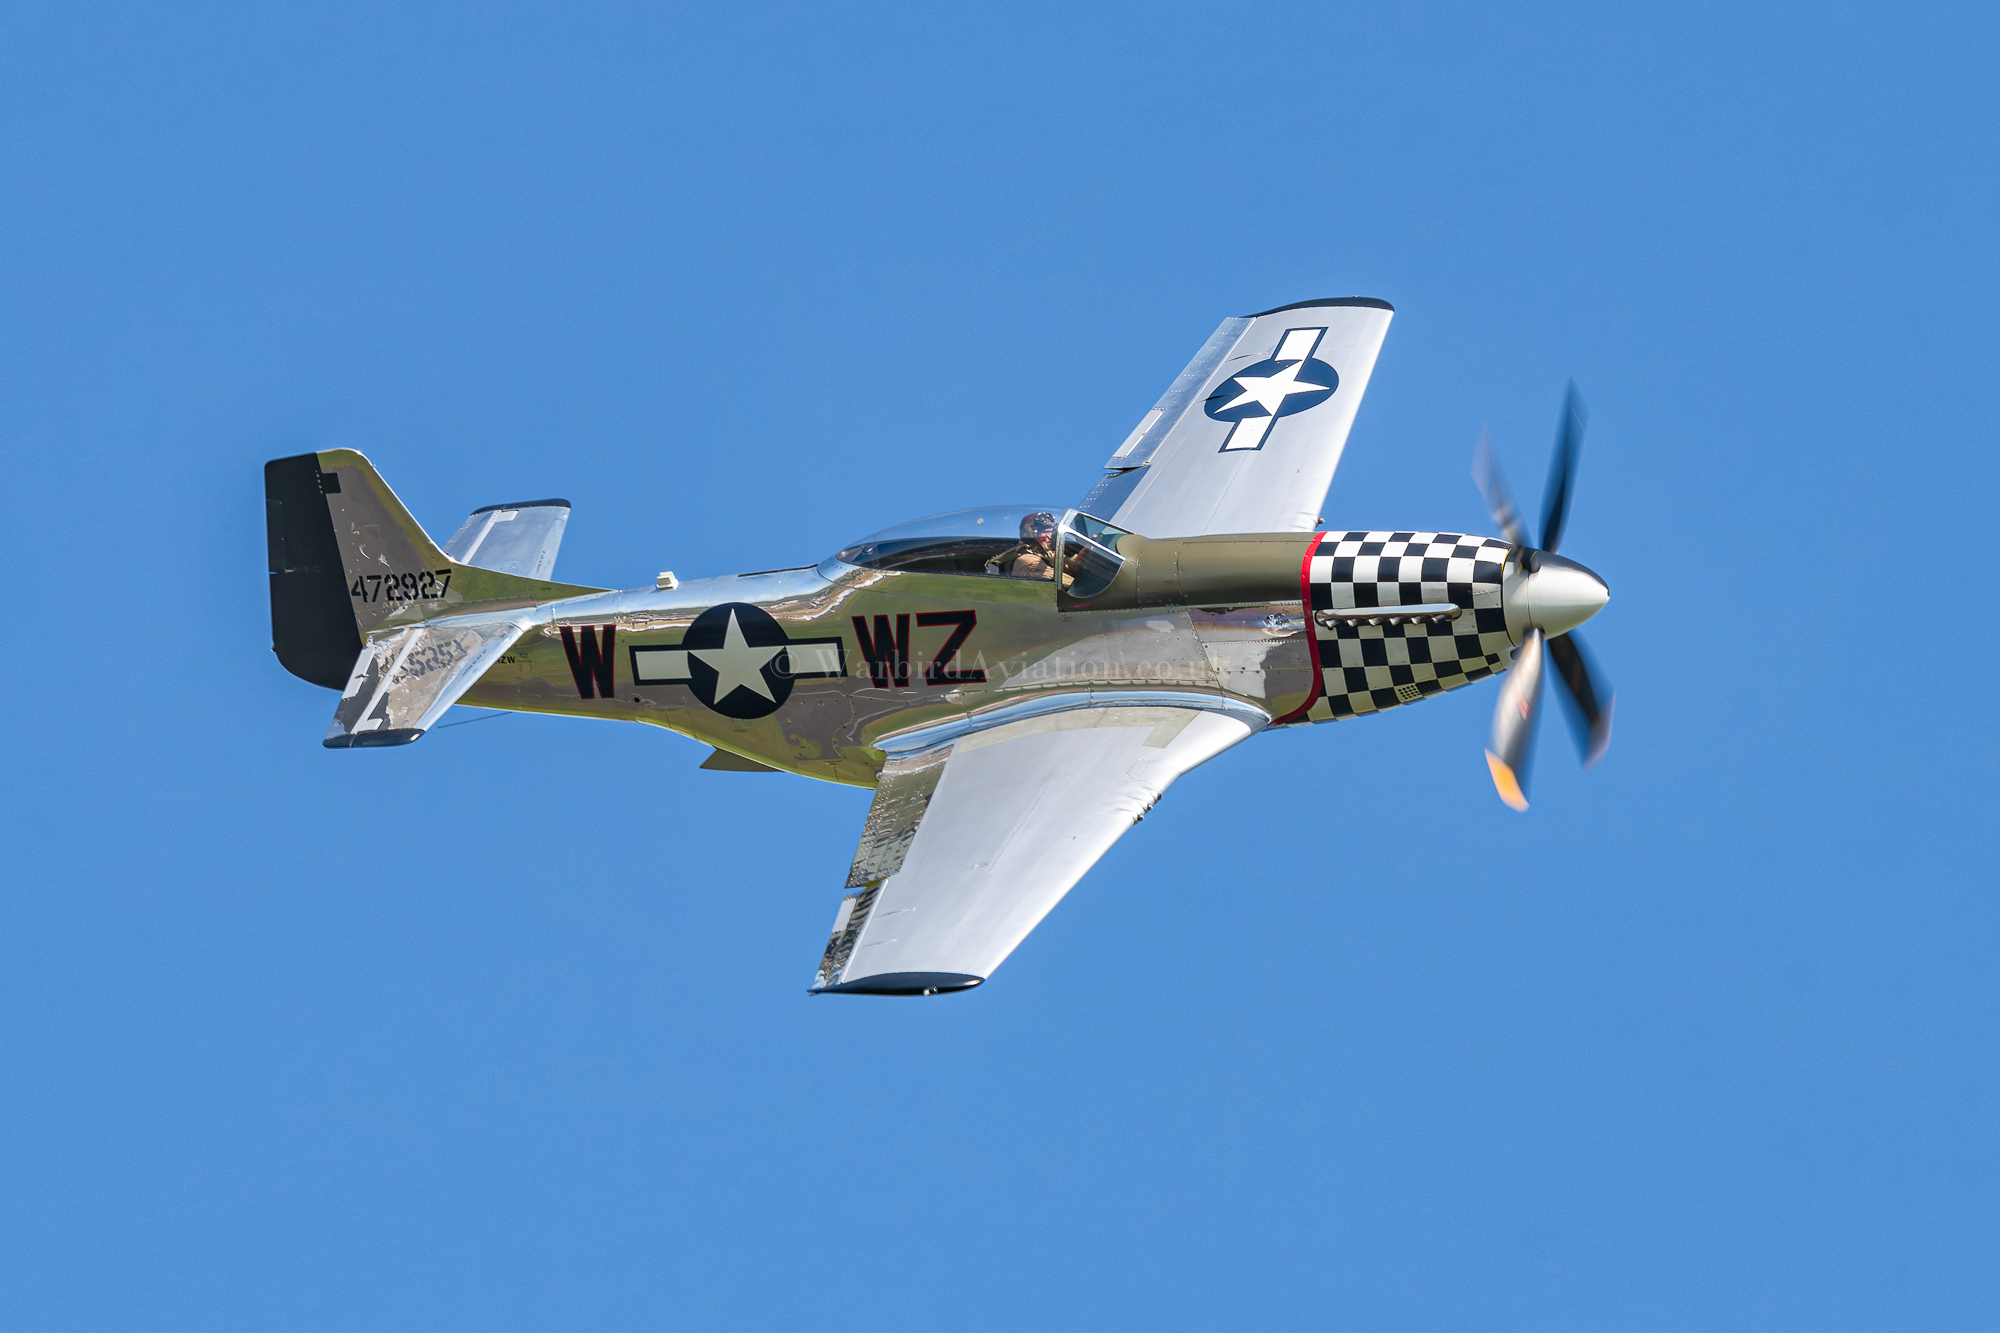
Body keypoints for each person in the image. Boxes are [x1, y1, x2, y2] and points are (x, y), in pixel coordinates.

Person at [985, 511, 1067, 583]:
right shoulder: (1027, 560)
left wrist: (1079, 557)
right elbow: (1063, 581)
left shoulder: (1040, 552)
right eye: (1047, 532)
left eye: (1051, 532)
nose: (1050, 536)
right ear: (1033, 534)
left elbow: (1065, 564)